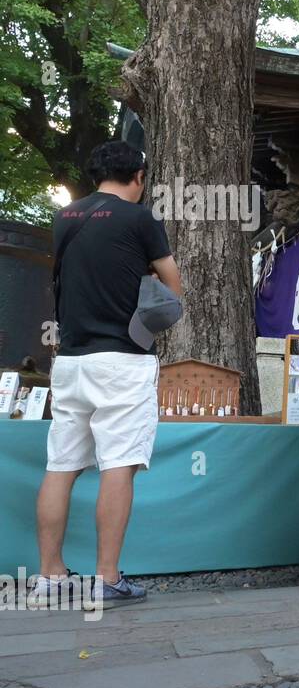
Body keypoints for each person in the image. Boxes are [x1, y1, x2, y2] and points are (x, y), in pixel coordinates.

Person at [31, 141, 183, 610]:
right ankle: (106, 578)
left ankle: (49, 576)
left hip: (71, 360)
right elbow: (172, 287)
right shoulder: (140, 219)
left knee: (61, 466)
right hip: (121, 359)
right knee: (119, 465)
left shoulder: (66, 218)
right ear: (139, 176)